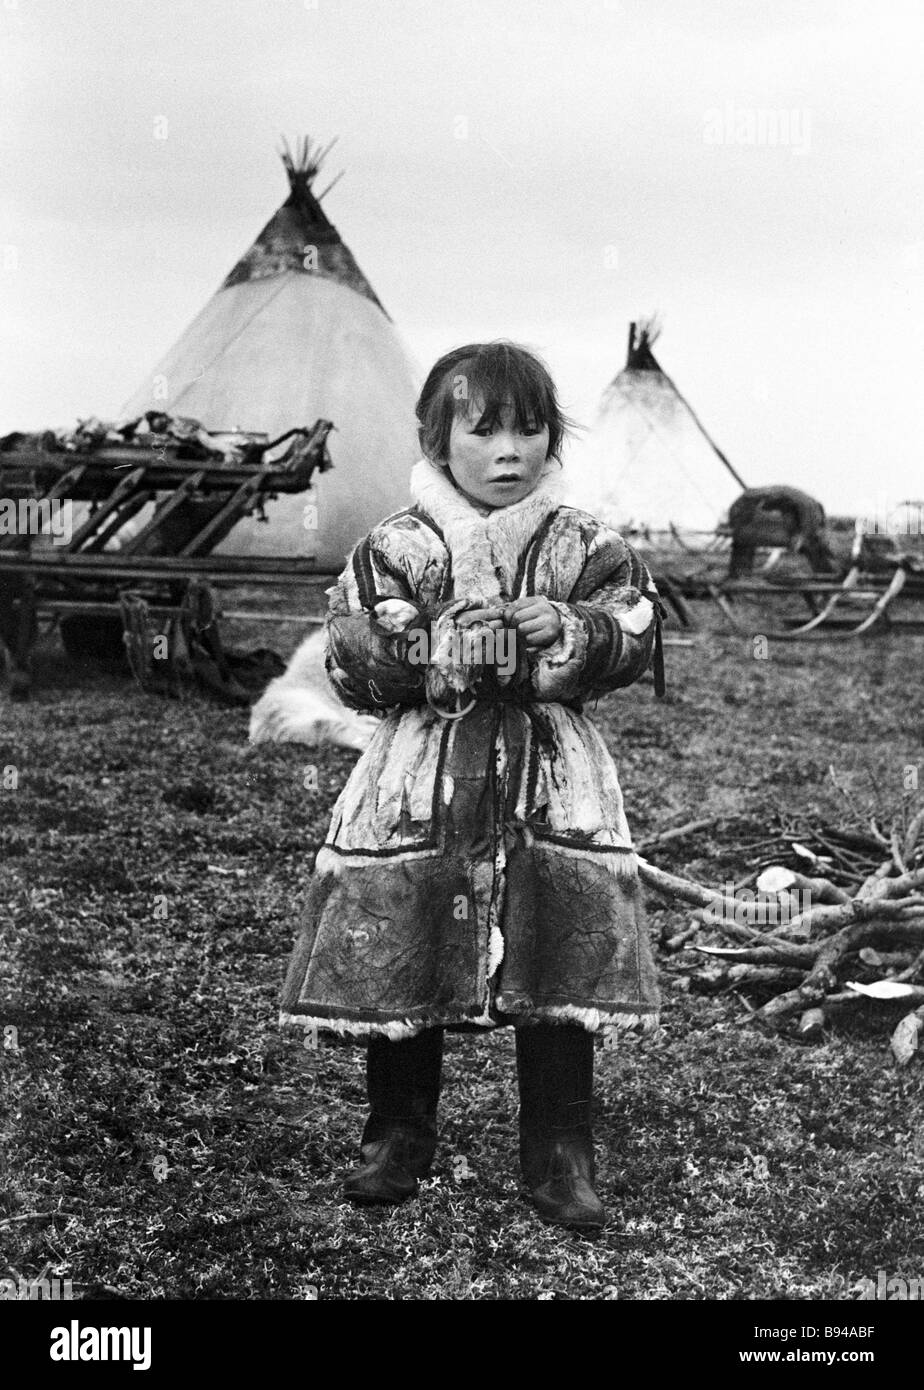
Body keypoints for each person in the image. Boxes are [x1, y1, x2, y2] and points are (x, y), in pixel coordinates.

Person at [279, 341, 666, 1232]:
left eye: (529, 430)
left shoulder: (583, 542)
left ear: (551, 439)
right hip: (422, 776)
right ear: (436, 437)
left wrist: (569, 627)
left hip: (550, 781)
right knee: (404, 945)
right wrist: (431, 642)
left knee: (557, 949)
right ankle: (397, 1137)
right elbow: (350, 654)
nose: (508, 452)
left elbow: (636, 627)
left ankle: (560, 1156)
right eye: (483, 430)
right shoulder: (396, 545)